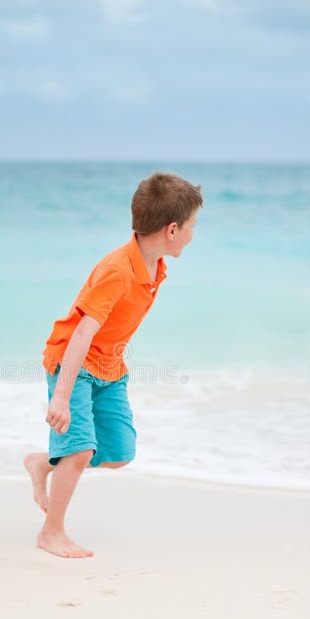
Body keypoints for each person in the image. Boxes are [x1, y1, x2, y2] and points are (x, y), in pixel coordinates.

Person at [25, 172, 202, 558]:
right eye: (191, 227)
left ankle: (43, 464)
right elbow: (81, 335)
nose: (193, 234)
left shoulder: (155, 266)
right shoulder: (119, 271)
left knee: (120, 453)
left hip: (109, 368)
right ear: (172, 230)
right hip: (73, 364)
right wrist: (61, 398)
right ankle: (51, 532)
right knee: (79, 450)